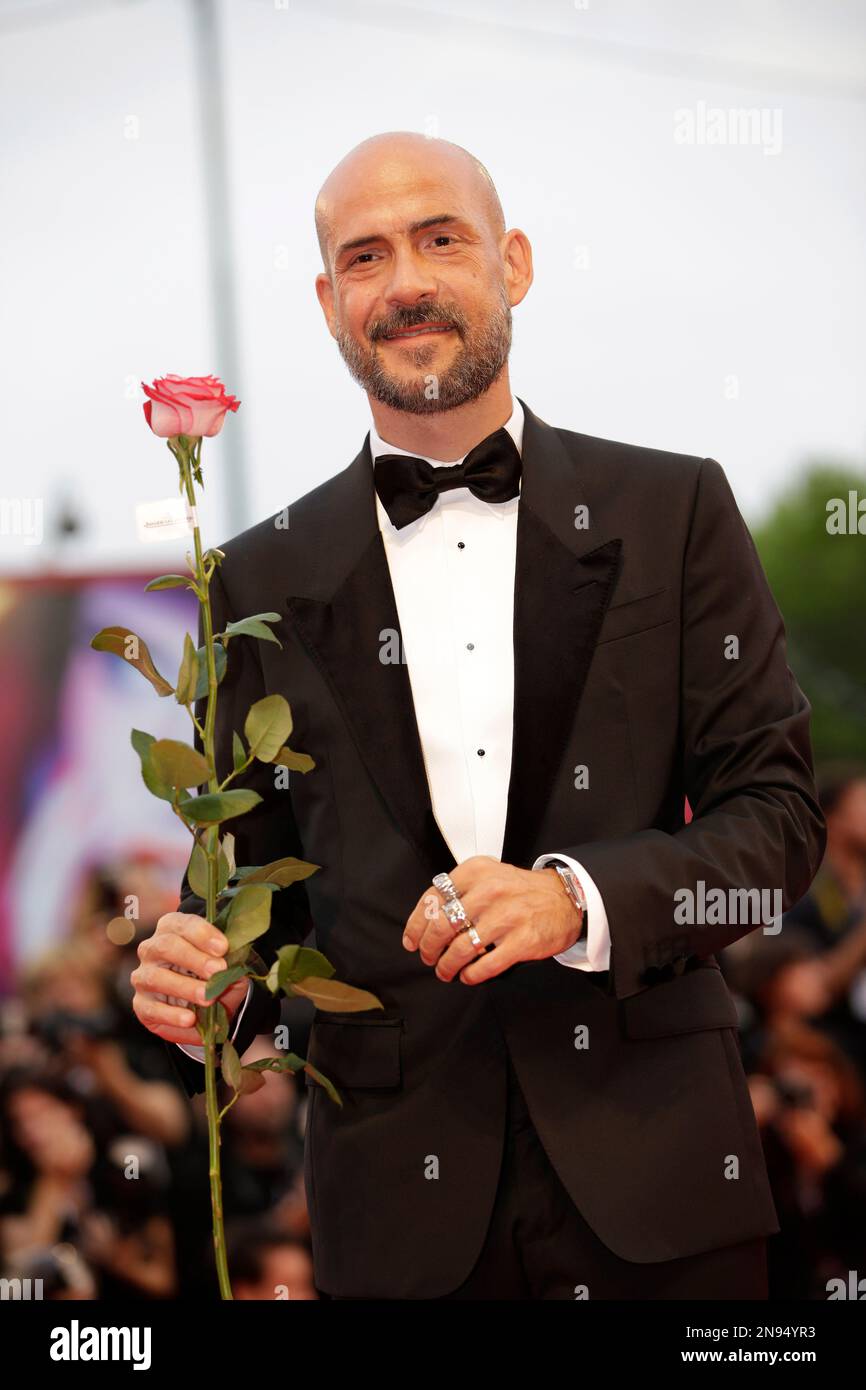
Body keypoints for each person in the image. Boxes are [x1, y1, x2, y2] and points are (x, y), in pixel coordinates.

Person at [131, 131, 826, 1300]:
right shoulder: (246, 584)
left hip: (662, 1188)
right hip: (393, 1231)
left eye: (439, 239)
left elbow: (778, 826)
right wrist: (217, 992)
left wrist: (574, 898)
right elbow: (274, 933)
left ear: (512, 261)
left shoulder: (676, 510)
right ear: (327, 301)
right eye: (364, 256)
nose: (404, 282)